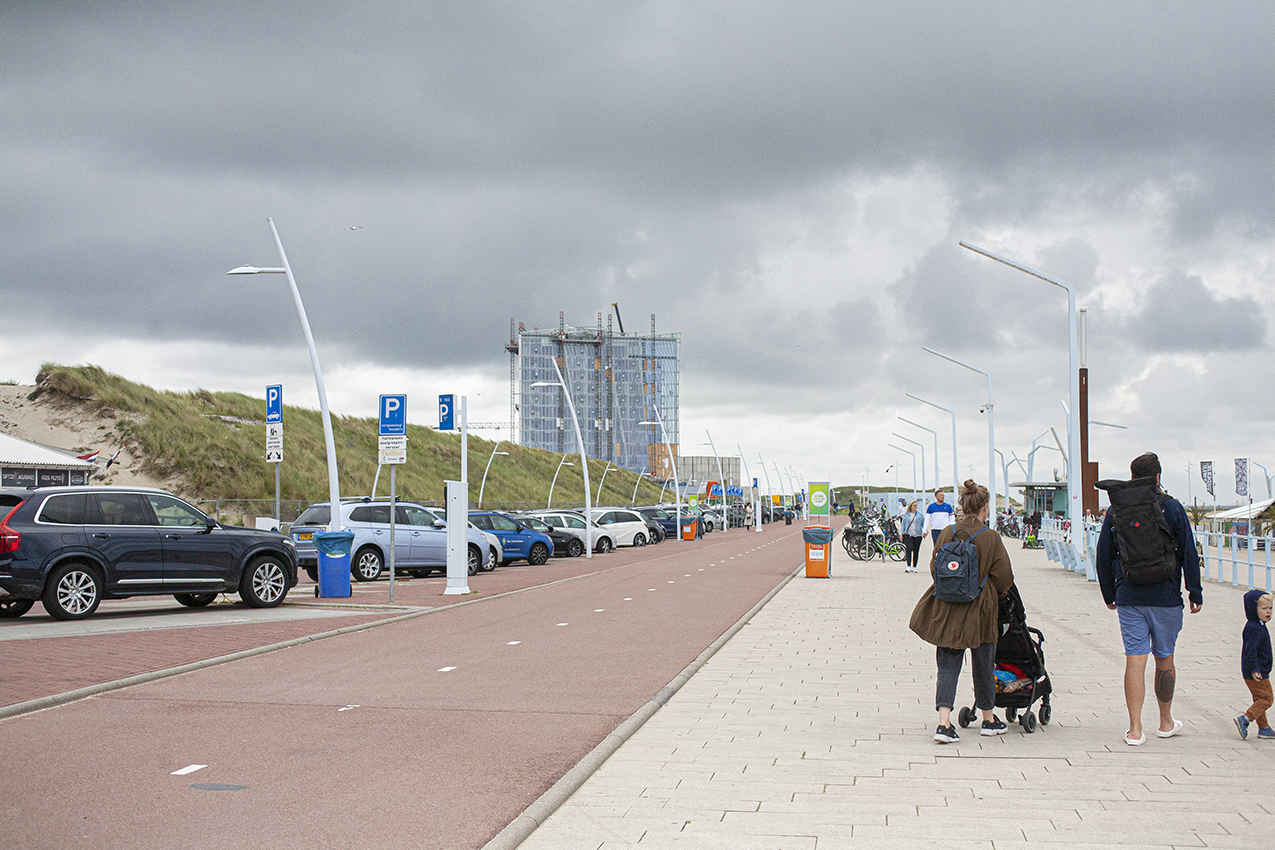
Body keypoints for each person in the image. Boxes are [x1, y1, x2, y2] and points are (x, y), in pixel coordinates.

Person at [1096, 452, 1203, 746]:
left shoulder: (1116, 510)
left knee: (1135, 658)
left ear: (1132, 477)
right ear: (1158, 477)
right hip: (1166, 596)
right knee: (1164, 657)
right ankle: (1166, 722)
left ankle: (1134, 730)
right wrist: (1195, 591)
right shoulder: (1173, 508)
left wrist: (1109, 593)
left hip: (1129, 594)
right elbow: (1188, 552)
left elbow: (1104, 553)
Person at [909, 479, 1014, 743]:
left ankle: (944, 724)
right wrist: (990, 591)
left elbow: (935, 568)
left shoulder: (947, 532)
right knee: (983, 663)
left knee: (947, 664)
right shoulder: (990, 537)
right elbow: (1004, 577)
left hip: (948, 610)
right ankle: (989, 719)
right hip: (981, 609)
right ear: (984, 508)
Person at [1235, 589, 1274, 739]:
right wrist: (1255, 669)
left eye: (1270, 608)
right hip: (1257, 672)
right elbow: (1250, 651)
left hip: (1257, 670)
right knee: (1267, 699)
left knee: (1259, 698)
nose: (1269, 612)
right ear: (1253, 609)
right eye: (1264, 609)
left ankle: (1264, 728)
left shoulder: (1258, 625)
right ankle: (1245, 719)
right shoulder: (1255, 628)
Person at [900, 500, 925, 573]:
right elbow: (903, 525)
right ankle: (908, 565)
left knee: (916, 551)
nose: (916, 507)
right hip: (908, 534)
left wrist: (925, 532)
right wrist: (901, 534)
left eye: (916, 505)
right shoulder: (906, 515)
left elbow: (924, 524)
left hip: (917, 535)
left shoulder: (920, 515)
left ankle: (914, 566)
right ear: (910, 506)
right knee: (909, 549)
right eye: (914, 505)